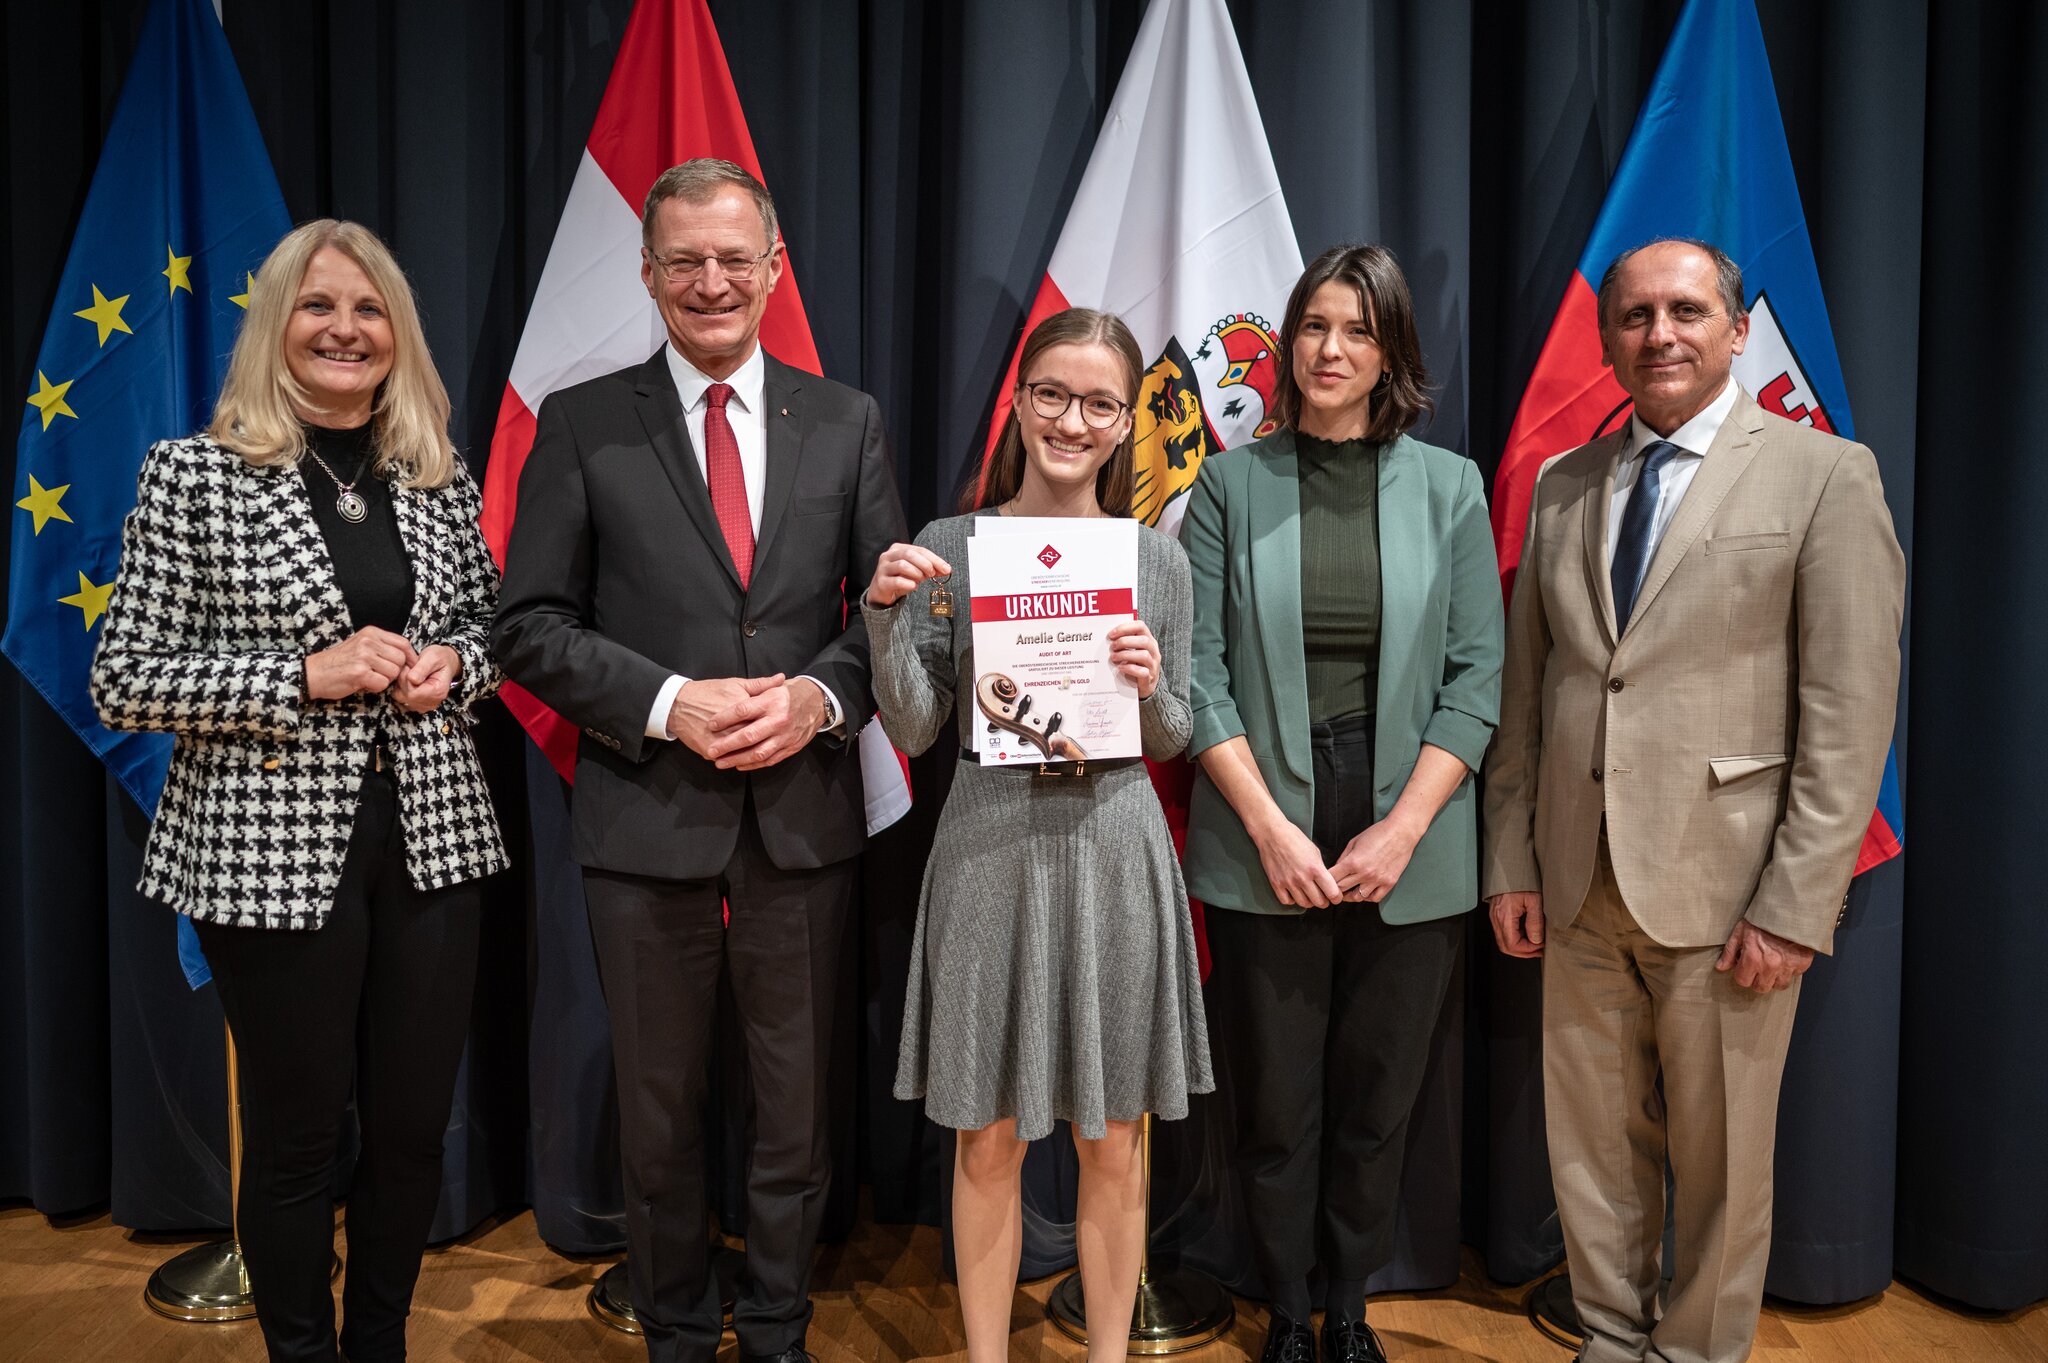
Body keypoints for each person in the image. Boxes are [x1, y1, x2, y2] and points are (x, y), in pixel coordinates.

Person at [492, 158, 904, 1363]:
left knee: (795, 1113)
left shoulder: (847, 419)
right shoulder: (581, 420)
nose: (710, 281)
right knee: (659, 1115)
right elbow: (528, 626)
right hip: (644, 816)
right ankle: (674, 1328)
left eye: (733, 259)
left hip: (801, 818)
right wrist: (669, 703)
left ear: (774, 270)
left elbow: (889, 620)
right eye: (685, 261)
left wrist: (820, 701)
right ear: (647, 272)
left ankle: (775, 1326)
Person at [90, 219, 507, 1363]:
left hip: (432, 841)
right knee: (295, 1142)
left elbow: (493, 627)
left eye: (369, 309)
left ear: (397, 333)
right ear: (276, 323)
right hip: (263, 856)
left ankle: (379, 1344)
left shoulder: (434, 473)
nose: (345, 329)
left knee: (412, 1134)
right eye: (319, 305)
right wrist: (299, 675)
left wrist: (455, 664)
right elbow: (123, 675)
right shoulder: (193, 475)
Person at [1482, 237, 1905, 1363]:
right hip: (1575, 880)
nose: (1658, 333)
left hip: (1729, 895)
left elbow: (1849, 713)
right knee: (1588, 1150)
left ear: (1736, 330)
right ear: (1608, 337)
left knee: (1721, 1170)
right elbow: (1529, 694)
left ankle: (1694, 1352)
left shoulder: (1824, 474)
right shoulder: (1565, 481)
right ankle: (1610, 1338)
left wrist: (1793, 903)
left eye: (1684, 311)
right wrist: (1511, 859)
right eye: (1633, 316)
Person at [861, 307, 1212, 1363]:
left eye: (1099, 402)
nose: (1072, 419)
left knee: (1112, 1145)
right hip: (987, 850)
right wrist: (883, 619)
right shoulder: (947, 548)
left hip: (1115, 849)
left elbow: (1176, 732)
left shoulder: (1156, 560)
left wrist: (1149, 685)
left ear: (1125, 424)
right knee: (987, 1141)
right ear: (1019, 403)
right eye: (1052, 394)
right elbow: (915, 727)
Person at [1178, 245, 1502, 1363]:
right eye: (1314, 325)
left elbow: (1477, 677)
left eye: (1358, 330)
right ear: (1288, 341)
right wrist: (1269, 827)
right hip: (1260, 816)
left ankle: (1350, 1308)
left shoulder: (1450, 486)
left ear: (1390, 352)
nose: (1330, 349)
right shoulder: (1228, 485)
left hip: (1411, 822)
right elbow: (1197, 674)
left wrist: (1404, 828)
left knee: (1377, 1095)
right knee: (1276, 1100)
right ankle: (1284, 1308)